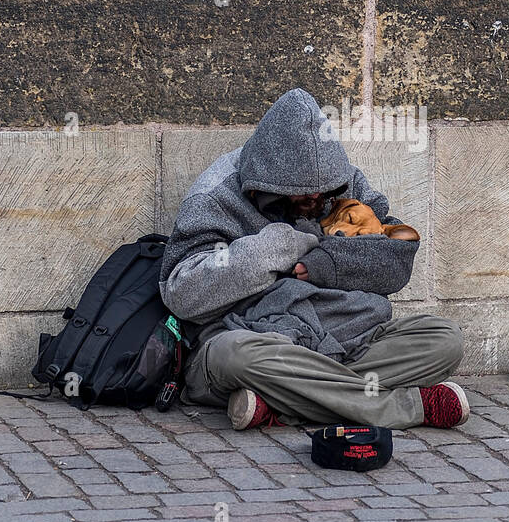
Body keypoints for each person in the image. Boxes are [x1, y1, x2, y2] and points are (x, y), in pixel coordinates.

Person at [160, 88, 468, 431]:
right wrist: (280, 247)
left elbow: (395, 258)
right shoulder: (215, 197)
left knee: (444, 339)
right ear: (268, 182)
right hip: (257, 340)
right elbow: (182, 294)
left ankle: (285, 402)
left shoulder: (340, 182)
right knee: (236, 356)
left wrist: (327, 262)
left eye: (324, 191)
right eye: (304, 192)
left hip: (342, 339)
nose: (316, 199)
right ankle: (403, 408)